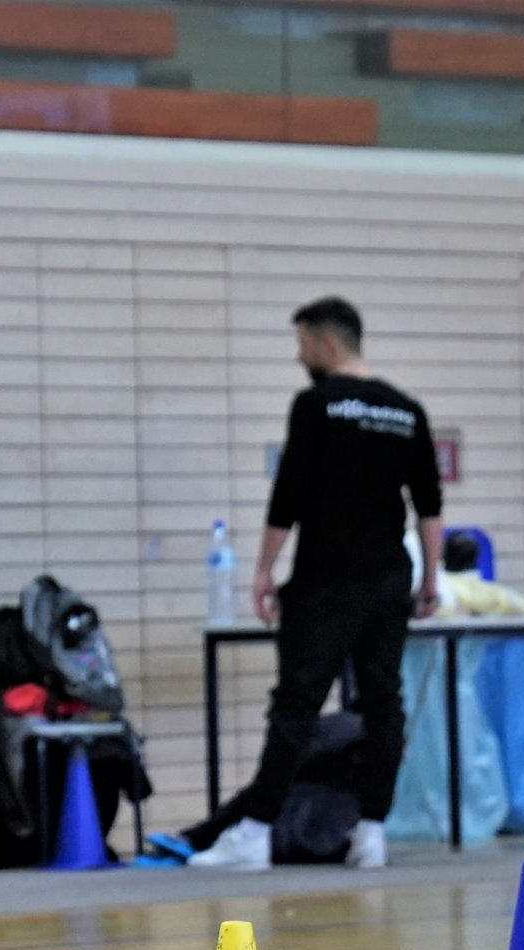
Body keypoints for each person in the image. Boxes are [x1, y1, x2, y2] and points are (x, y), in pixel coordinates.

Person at [153, 297, 443, 872]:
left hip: (328, 576)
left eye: (303, 343)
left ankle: (255, 832)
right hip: (388, 577)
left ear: (327, 343)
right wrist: (431, 577)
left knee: (297, 703)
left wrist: (263, 570)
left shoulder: (316, 404)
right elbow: (429, 505)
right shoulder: (406, 410)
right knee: (384, 702)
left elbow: (290, 493)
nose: (299, 355)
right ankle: (371, 832)